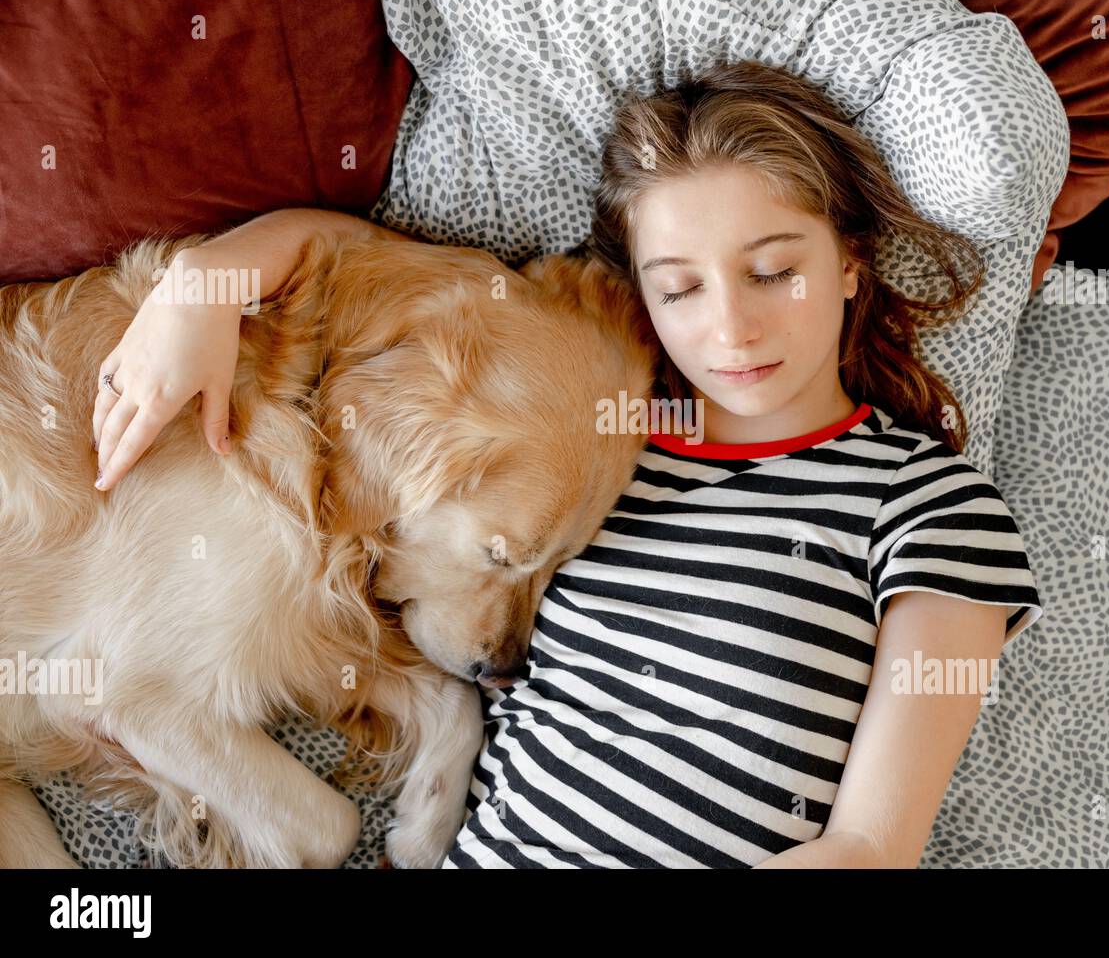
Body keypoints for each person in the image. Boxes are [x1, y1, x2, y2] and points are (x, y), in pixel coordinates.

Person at [91, 58, 1044, 868]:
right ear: (643, 300)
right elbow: (380, 275)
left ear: (849, 262)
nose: (731, 325)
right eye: (679, 287)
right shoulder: (604, 422)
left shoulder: (932, 505)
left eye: (772, 269)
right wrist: (200, 288)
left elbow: (872, 849)